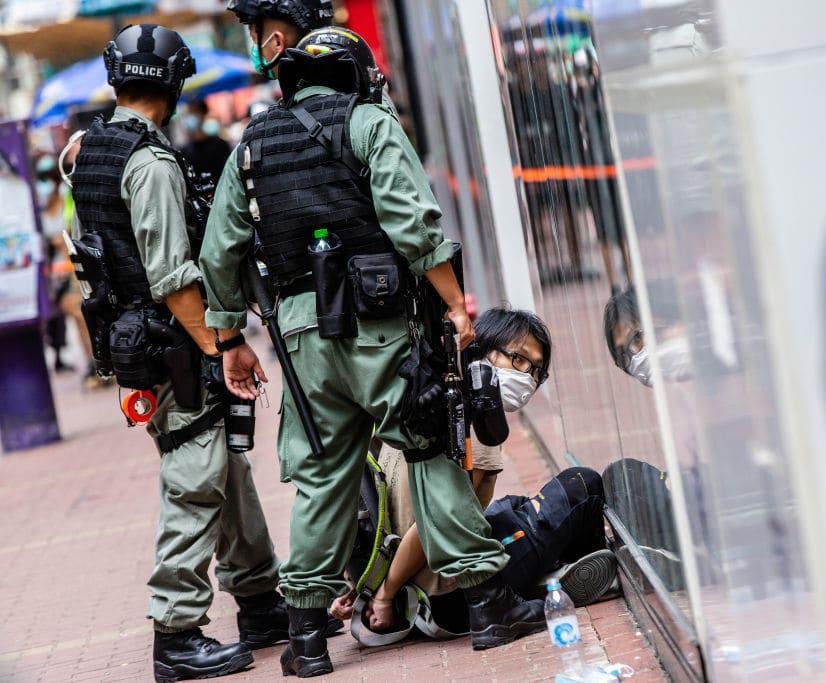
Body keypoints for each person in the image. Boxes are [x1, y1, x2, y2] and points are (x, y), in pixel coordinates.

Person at [200, 21, 546, 678]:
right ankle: (490, 603)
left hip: (300, 334)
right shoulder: (369, 123)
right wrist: (452, 303)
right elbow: (412, 221)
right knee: (426, 447)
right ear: (356, 74)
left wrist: (227, 339)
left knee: (323, 474)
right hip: (379, 320)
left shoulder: (251, 145)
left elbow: (219, 251)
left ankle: (305, 641)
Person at [68, 25, 325, 682]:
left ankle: (261, 602)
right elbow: (172, 276)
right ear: (174, 82)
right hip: (172, 343)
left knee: (223, 470)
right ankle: (176, 632)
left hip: (135, 339)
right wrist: (223, 345)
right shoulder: (148, 163)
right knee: (196, 479)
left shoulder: (90, 151)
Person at [348, 308, 552, 631]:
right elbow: (440, 520)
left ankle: (547, 576)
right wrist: (385, 595)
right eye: (519, 359)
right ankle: (554, 582)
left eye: (537, 371)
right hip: (448, 593)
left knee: (514, 507)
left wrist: (362, 589)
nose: (527, 377)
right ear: (484, 348)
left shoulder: (427, 394)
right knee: (579, 490)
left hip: (409, 583)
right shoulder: (475, 412)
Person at [181, 100, 231, 183]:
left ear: (203, 114)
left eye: (194, 113)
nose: (190, 117)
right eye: (188, 114)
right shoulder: (185, 151)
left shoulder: (220, 145)